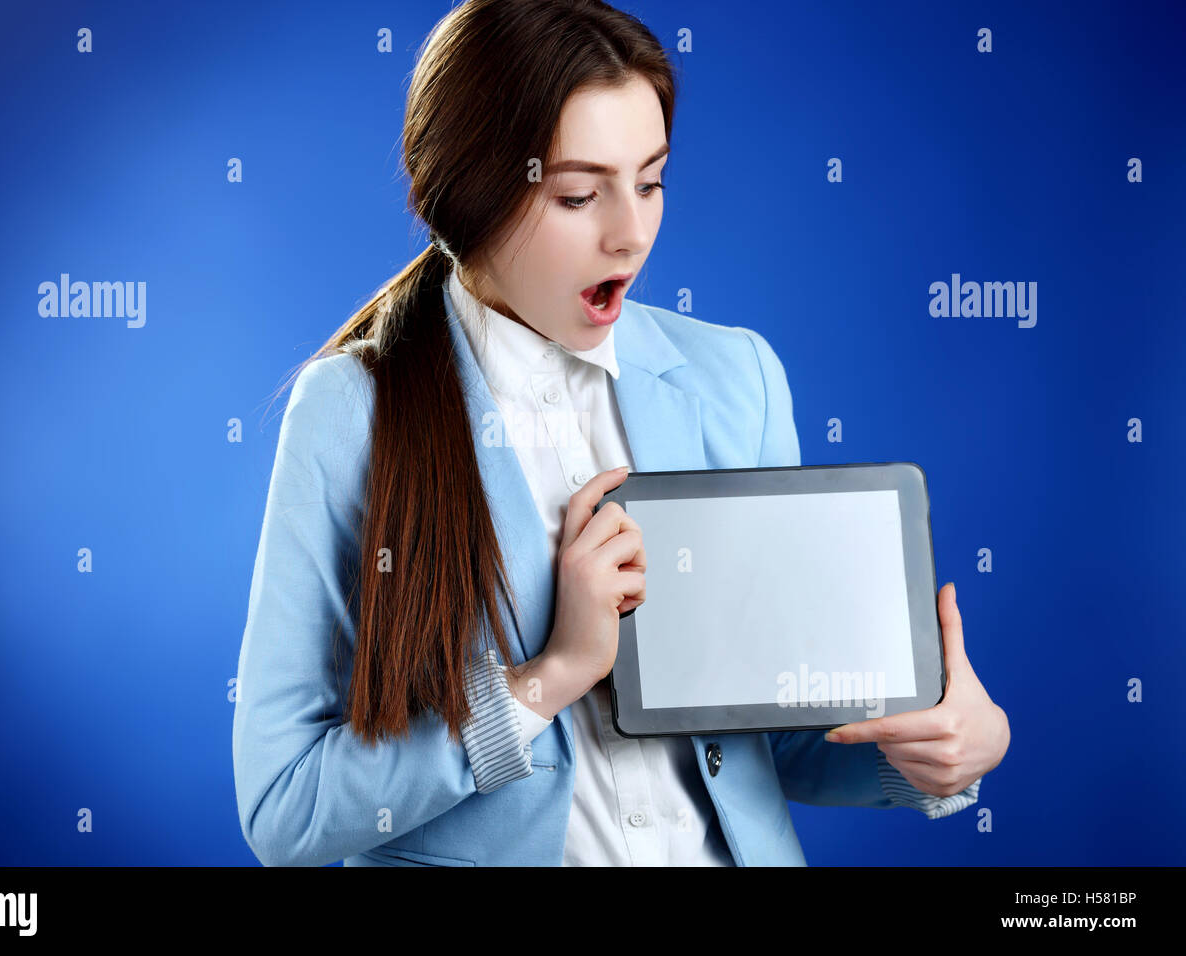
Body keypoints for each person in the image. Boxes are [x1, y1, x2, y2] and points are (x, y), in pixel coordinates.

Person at [231, 0, 1010, 867]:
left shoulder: (737, 379)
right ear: (463, 196)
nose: (631, 234)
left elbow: (780, 743)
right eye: (577, 194)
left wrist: (936, 754)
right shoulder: (351, 412)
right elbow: (285, 811)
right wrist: (550, 676)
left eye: (650, 182)